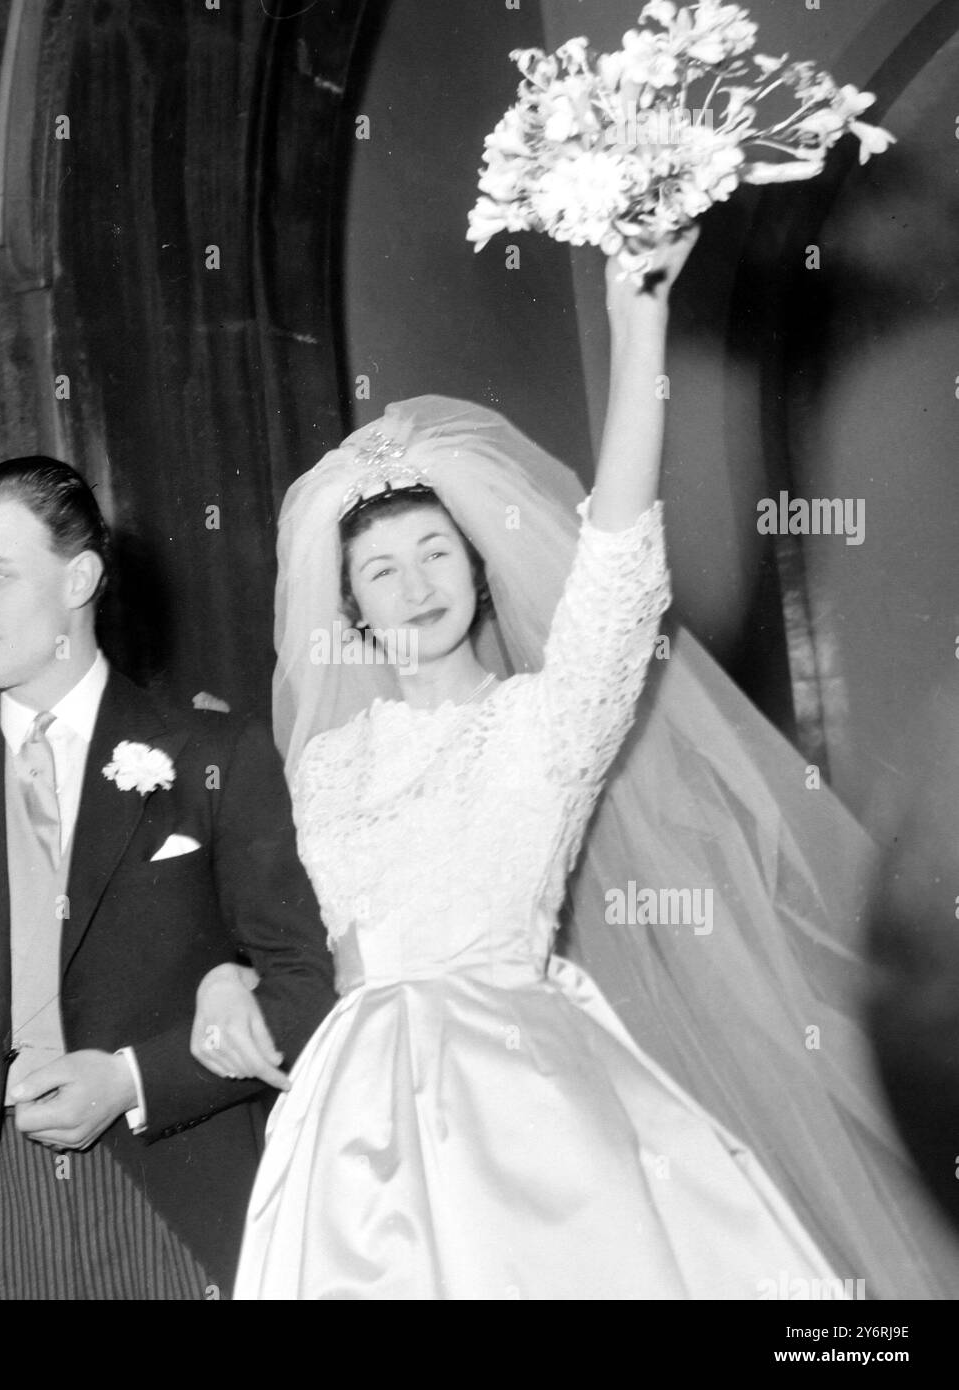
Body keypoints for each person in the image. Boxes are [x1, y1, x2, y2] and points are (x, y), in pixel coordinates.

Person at [193, 234, 959, 1298]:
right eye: (380, 568)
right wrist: (220, 973)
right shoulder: (323, 763)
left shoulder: (545, 724)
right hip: (349, 1130)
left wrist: (634, 318)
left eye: (433, 555)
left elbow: (613, 557)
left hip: (521, 1093)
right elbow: (282, 936)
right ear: (351, 608)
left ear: (475, 569)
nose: (413, 586)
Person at [0, 457, 336, 1299]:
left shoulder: (213, 756)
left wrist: (131, 1078)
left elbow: (311, 993)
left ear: (80, 579)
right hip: (4, 1225)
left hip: (179, 1206)